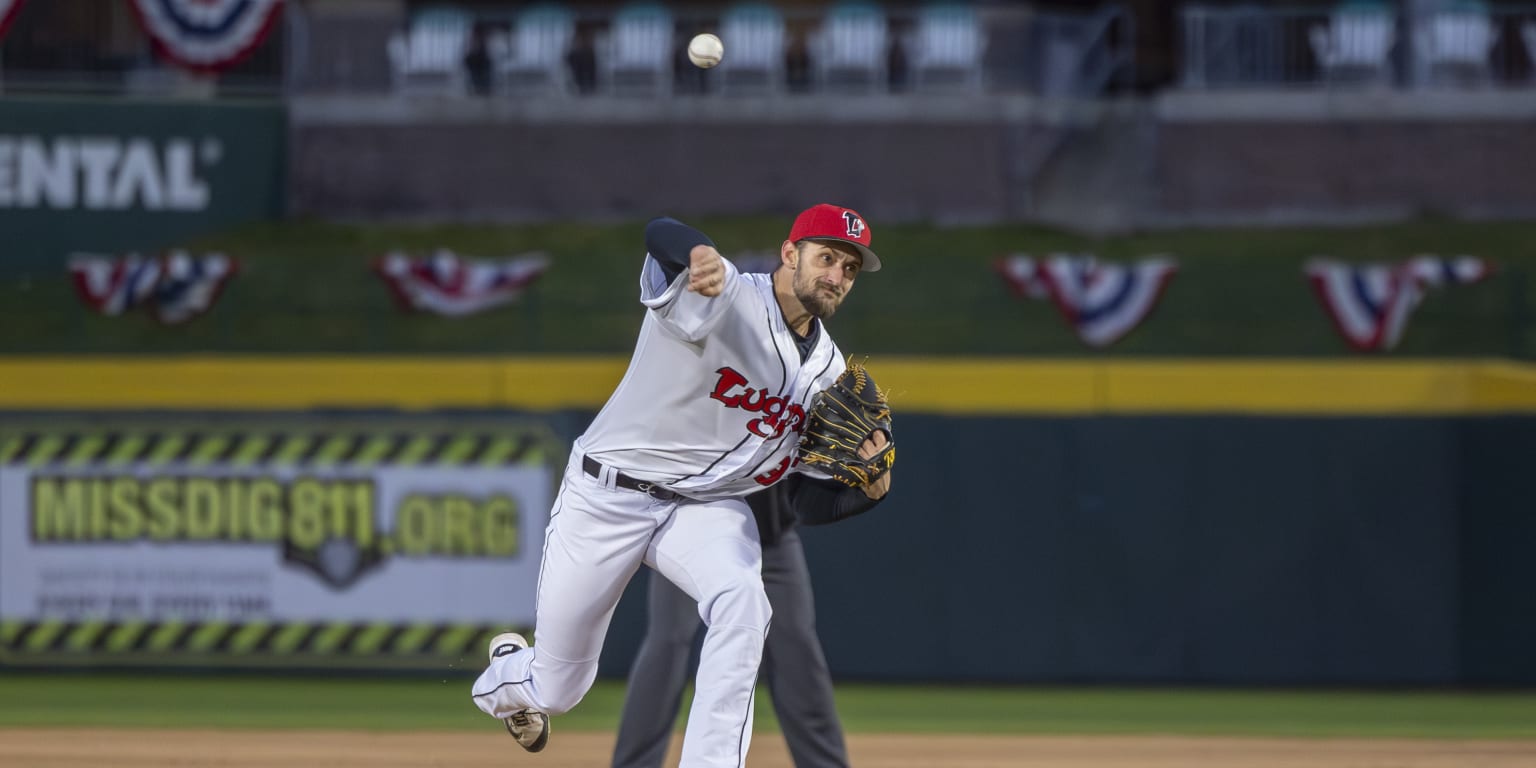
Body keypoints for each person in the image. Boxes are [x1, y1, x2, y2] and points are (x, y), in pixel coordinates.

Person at [471, 204, 893, 768]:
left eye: (848, 267)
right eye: (826, 258)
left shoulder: (829, 374)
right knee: (557, 687)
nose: (836, 275)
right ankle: (508, 678)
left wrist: (864, 494)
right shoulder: (724, 295)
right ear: (789, 254)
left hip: (702, 507)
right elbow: (660, 231)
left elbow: (799, 501)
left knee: (744, 602)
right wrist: (695, 253)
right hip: (606, 497)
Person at [612, 472, 867, 768]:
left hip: (773, 539)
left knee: (798, 652)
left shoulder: (796, 424)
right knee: (667, 644)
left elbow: (807, 498)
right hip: (695, 536)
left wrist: (866, 492)